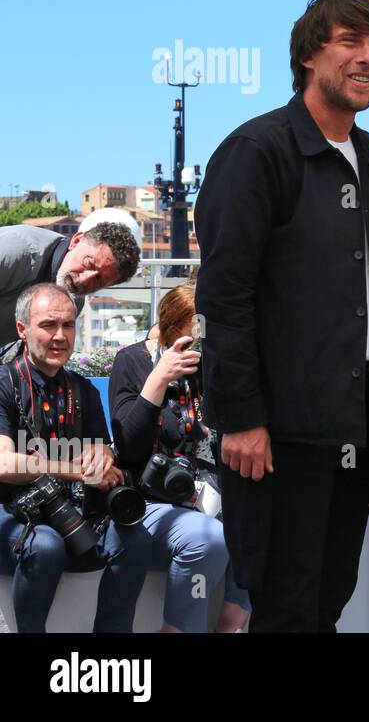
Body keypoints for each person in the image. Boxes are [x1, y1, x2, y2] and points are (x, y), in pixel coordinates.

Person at [194, 0, 369, 633]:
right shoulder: (257, 152)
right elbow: (223, 296)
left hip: (355, 417)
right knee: (285, 603)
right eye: (351, 41)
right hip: (280, 430)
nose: (368, 58)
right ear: (308, 55)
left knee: (329, 596)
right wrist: (241, 420)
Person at [0, 283, 150, 632]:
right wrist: (74, 471)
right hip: (9, 510)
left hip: (69, 510)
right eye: (49, 325)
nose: (60, 336)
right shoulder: (5, 383)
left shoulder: (82, 391)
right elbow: (4, 464)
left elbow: (102, 455)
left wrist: (104, 456)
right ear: (22, 329)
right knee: (46, 547)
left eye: (68, 325)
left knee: (135, 538)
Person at [109, 284, 251, 632]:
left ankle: (229, 626)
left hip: (212, 492)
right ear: (169, 333)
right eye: (191, 342)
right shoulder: (133, 362)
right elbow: (128, 447)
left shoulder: (211, 369)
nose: (198, 351)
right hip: (153, 500)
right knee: (211, 538)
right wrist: (160, 378)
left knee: (261, 522)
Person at [0, 211, 141, 349]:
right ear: (76, 240)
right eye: (88, 264)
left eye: (99, 280)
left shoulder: (73, 300)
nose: (85, 279)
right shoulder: (17, 250)